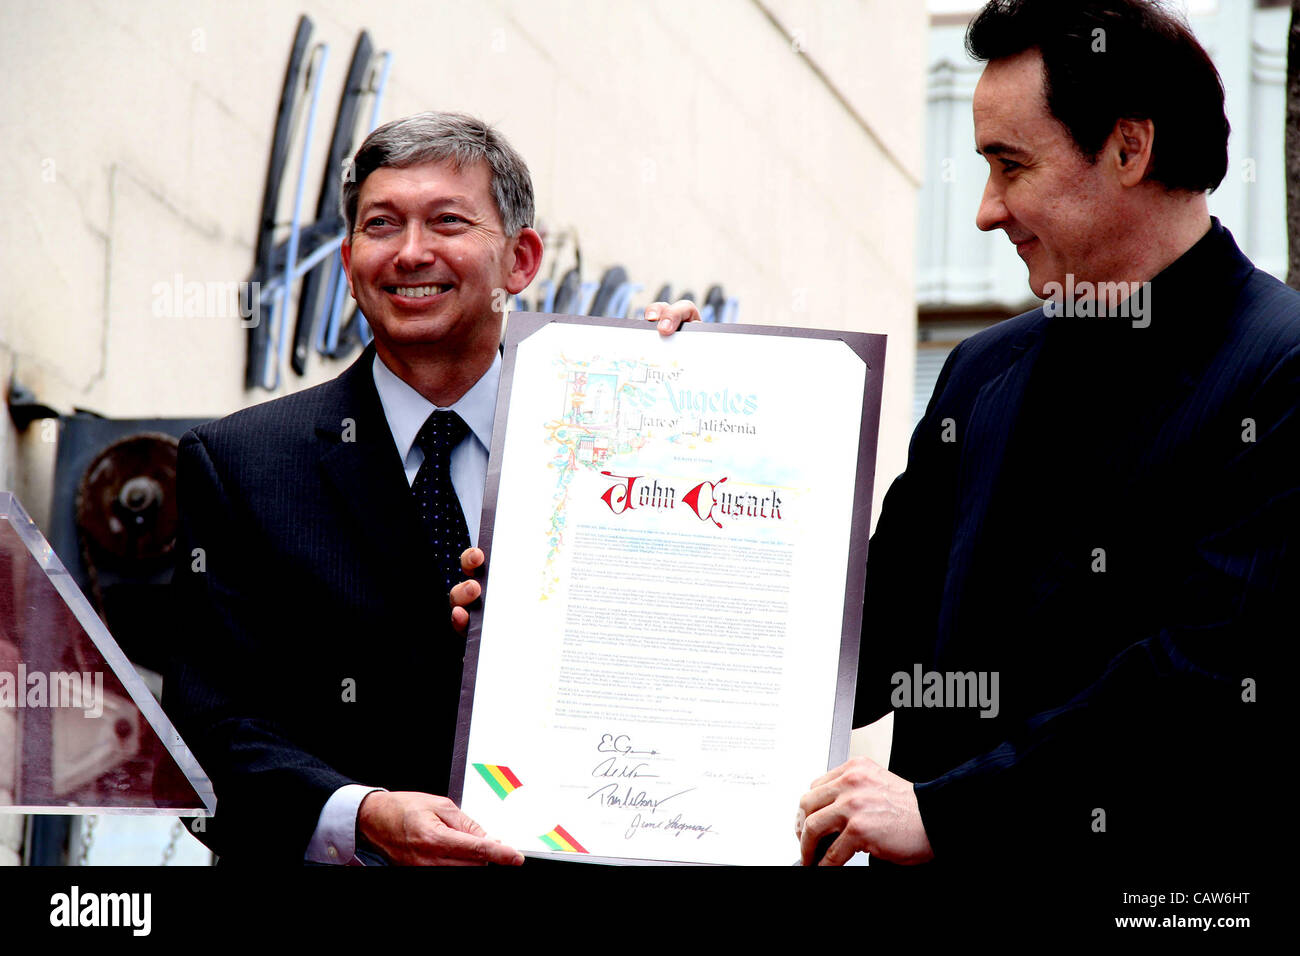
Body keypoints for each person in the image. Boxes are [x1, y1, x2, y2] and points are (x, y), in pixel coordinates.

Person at [783, 0, 1294, 870]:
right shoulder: (981, 373)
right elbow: (867, 635)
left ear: (1130, 149)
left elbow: (1207, 681)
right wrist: (674, 439)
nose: (986, 211)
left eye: (1010, 166)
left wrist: (949, 812)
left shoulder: (1280, 367)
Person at [164, 111, 695, 865]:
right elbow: (207, 728)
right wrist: (363, 814)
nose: (411, 253)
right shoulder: (244, 465)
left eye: (447, 222)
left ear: (522, 259)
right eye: (382, 226)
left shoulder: (623, 437)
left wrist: (699, 389)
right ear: (349, 262)